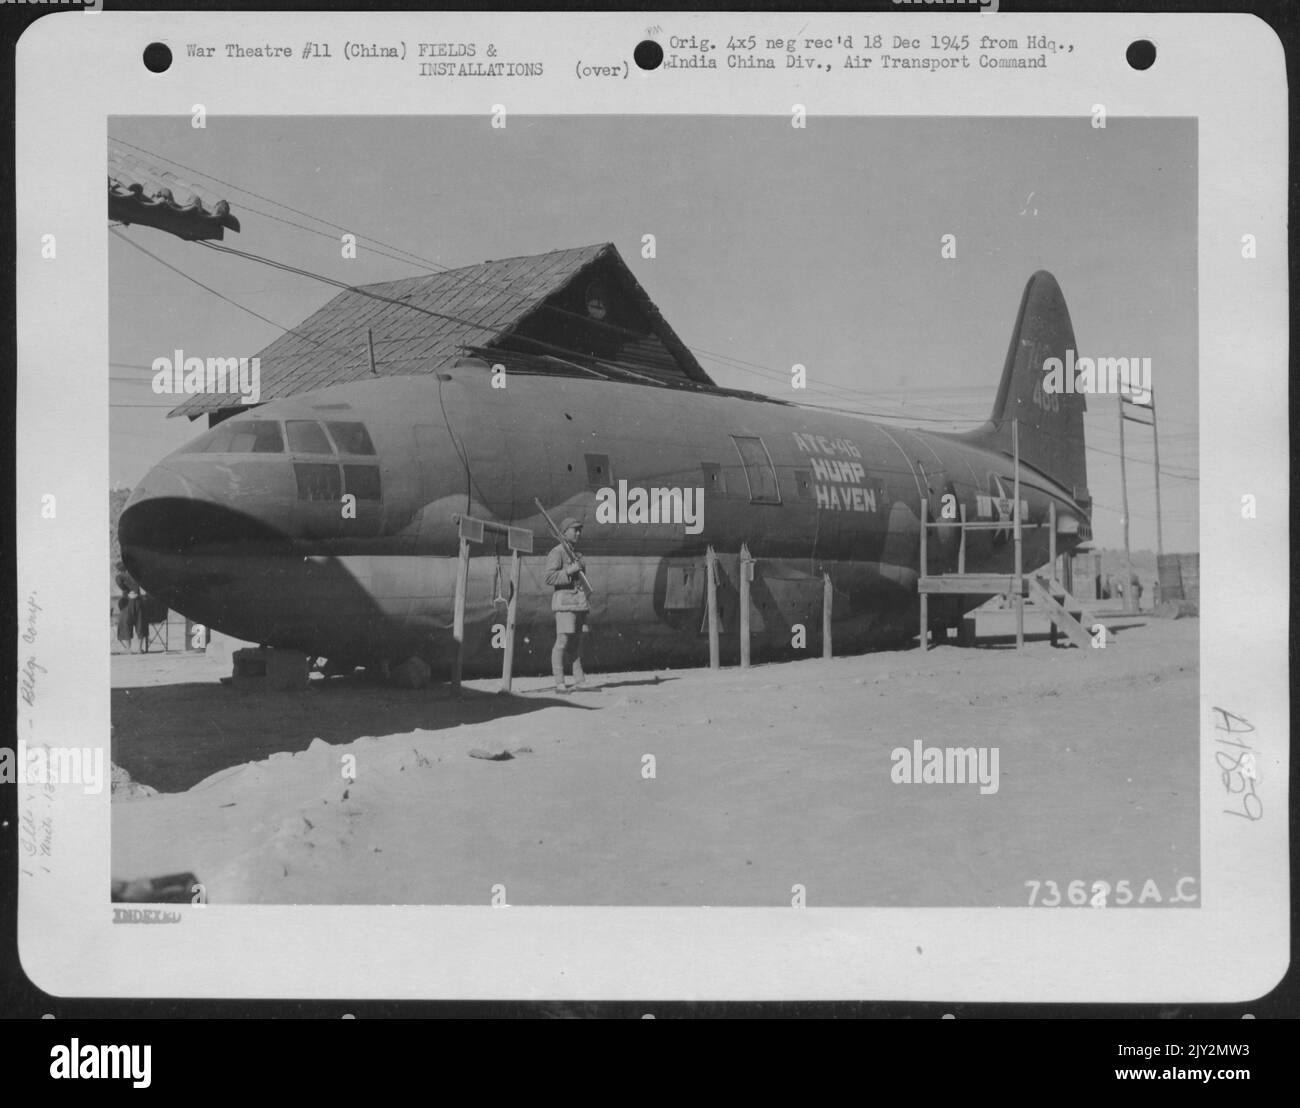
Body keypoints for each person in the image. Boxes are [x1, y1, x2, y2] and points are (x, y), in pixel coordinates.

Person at [544, 517, 590, 692]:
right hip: (564, 603)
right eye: (574, 529)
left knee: (576, 644)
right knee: (562, 642)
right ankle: (560, 682)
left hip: (579, 603)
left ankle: (579, 680)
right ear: (564, 532)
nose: (578, 533)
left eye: (579, 530)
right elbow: (549, 577)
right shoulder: (557, 552)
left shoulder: (576, 554)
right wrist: (570, 570)